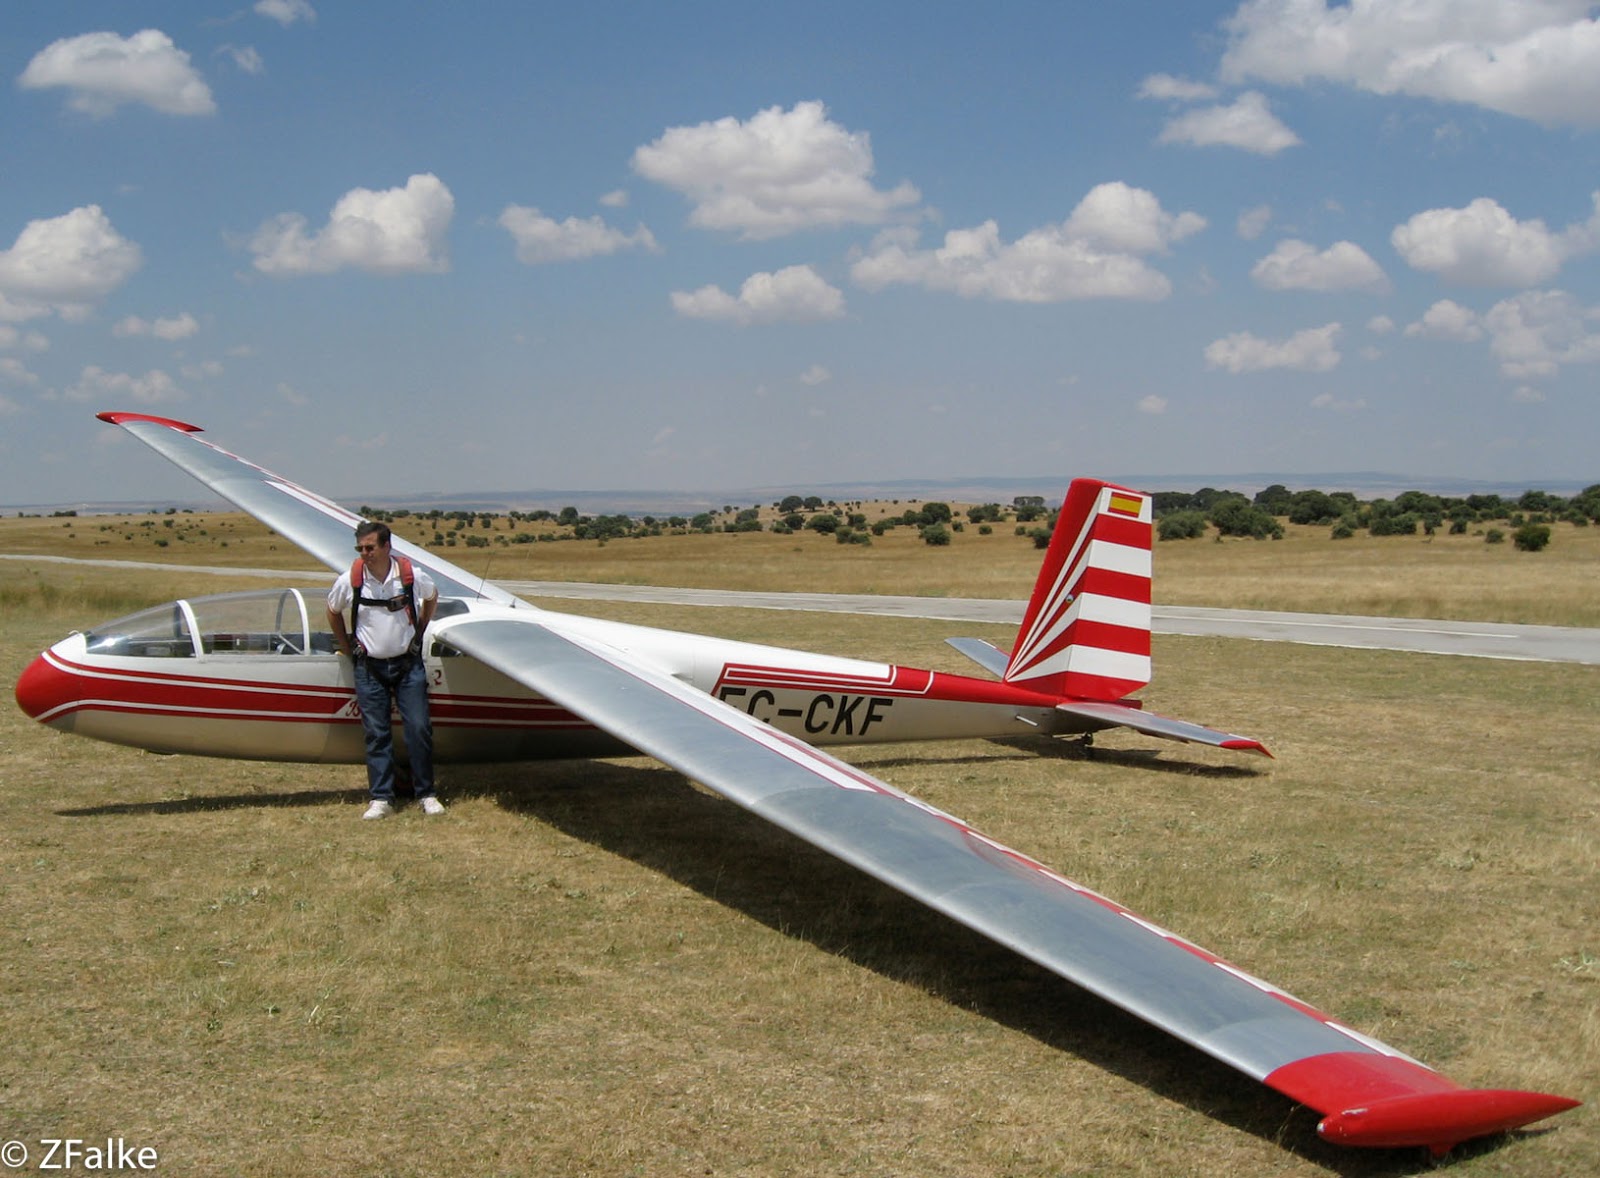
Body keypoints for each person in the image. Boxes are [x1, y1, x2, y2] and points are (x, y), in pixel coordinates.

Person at [327, 521, 443, 819]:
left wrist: (419, 631)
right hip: (369, 667)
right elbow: (332, 610)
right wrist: (348, 644)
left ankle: (427, 794)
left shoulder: (410, 576)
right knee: (376, 733)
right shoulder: (349, 580)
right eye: (360, 548)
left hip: (408, 665)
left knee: (418, 728)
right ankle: (381, 798)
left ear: (386, 546)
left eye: (370, 547)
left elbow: (431, 597)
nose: (364, 553)